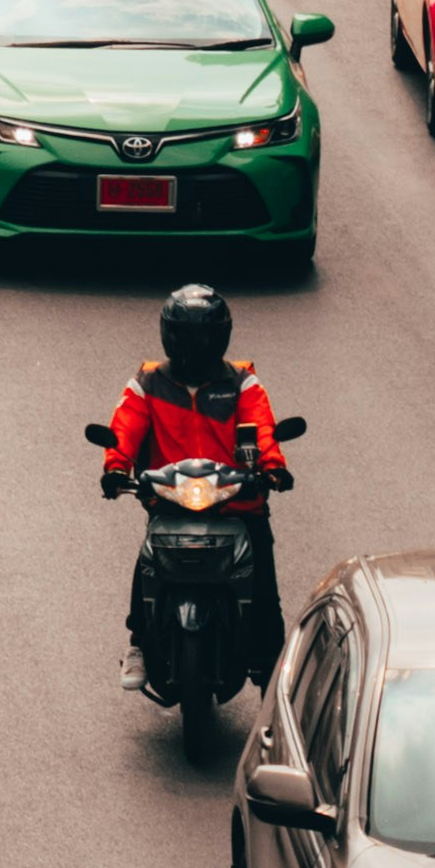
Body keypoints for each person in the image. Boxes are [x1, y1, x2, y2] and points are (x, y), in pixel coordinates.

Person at [100, 281, 291, 689]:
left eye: (203, 336)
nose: (195, 345)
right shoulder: (148, 383)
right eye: (187, 335)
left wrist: (273, 467)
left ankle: (275, 681)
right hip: (171, 503)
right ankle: (138, 642)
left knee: (265, 596)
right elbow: (125, 427)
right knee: (149, 561)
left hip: (238, 504)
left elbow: (262, 428)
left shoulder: (242, 383)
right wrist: (116, 468)